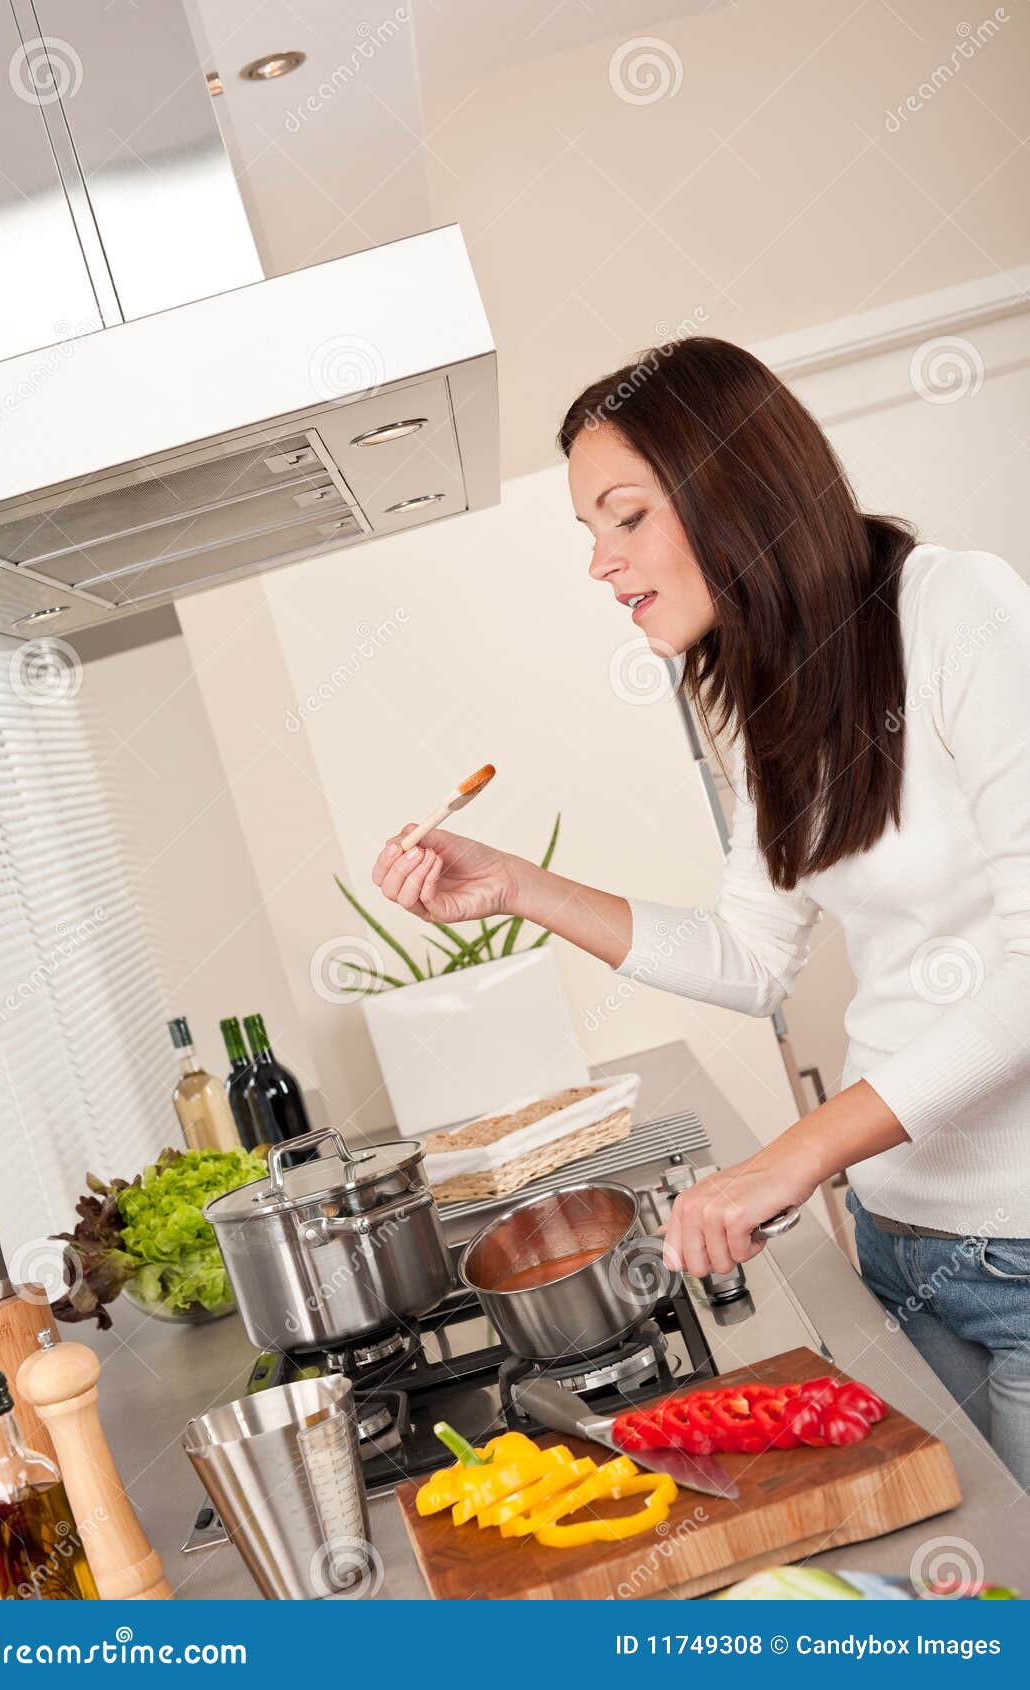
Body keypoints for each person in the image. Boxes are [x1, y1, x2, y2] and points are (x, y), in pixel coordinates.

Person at [370, 336, 1030, 1488]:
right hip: (893, 1235)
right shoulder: (750, 689)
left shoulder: (957, 612)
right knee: (971, 1570)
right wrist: (519, 886)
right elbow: (748, 956)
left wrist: (789, 1160)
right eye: (588, 530)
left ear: (736, 489)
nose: (598, 563)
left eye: (621, 517)